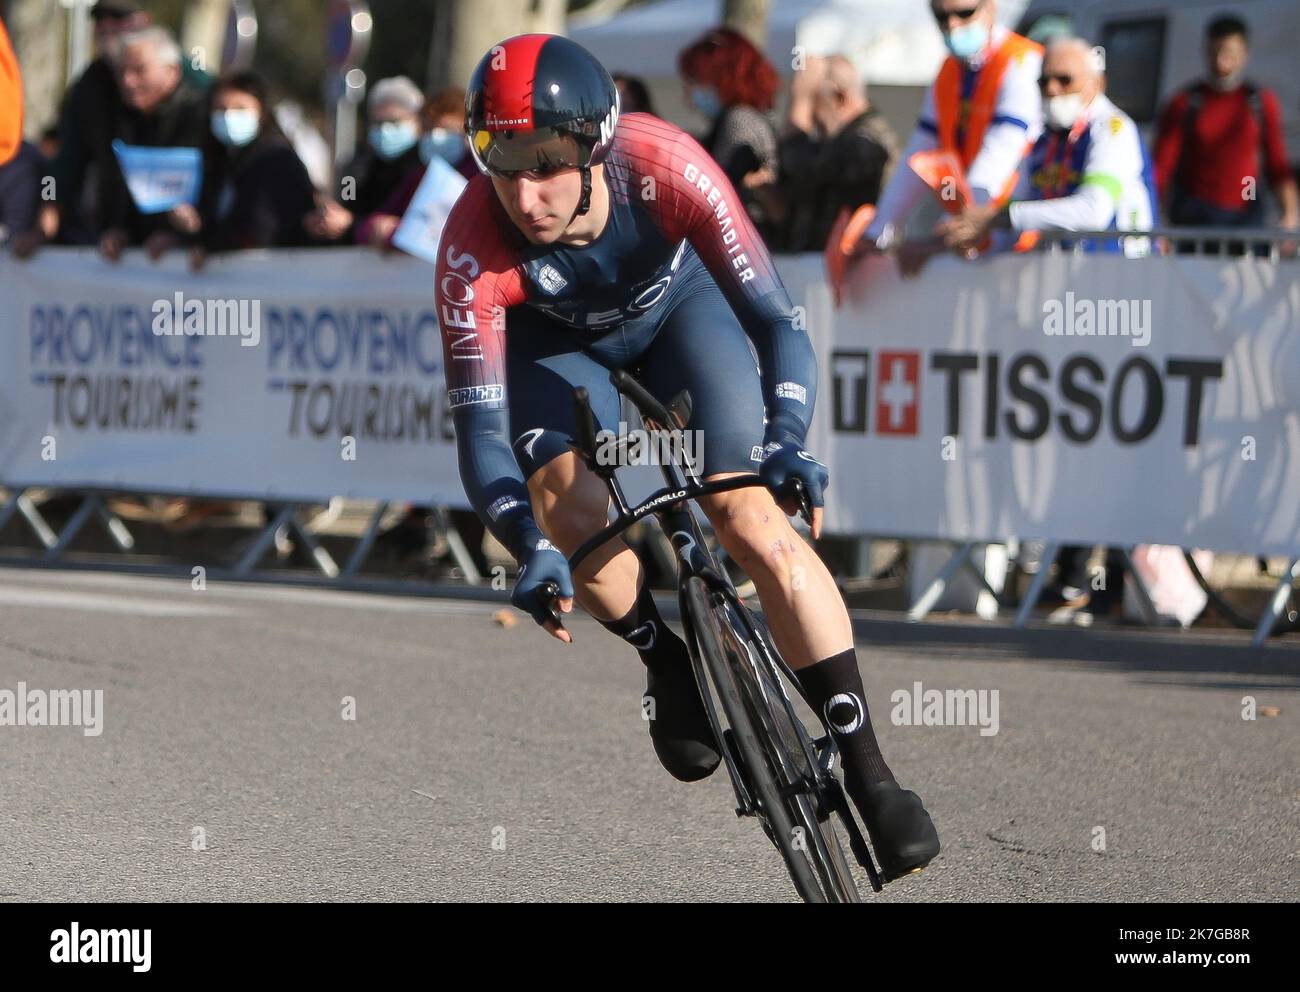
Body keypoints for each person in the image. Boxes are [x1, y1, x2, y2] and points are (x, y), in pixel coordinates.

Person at [436, 33, 940, 883]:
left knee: (750, 515)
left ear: (596, 143)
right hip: (552, 346)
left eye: (548, 160)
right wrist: (528, 544)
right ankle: (664, 657)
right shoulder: (471, 246)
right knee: (566, 502)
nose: (525, 192)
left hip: (679, 314)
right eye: (499, 158)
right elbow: (481, 434)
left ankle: (868, 765)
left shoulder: (666, 165)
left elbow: (779, 324)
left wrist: (785, 442)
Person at [856, 0, 1042, 274]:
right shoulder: (948, 72)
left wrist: (951, 229)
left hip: (1016, 229)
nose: (953, 24)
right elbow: (920, 154)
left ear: (990, 8)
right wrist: (880, 230)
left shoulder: (1021, 62)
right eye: (941, 16)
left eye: (965, 13)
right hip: (975, 231)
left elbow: (1001, 153)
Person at [938, 38, 1155, 255]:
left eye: (1064, 80)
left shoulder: (1114, 129)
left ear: (1097, 83)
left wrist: (999, 218)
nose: (1052, 89)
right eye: (1044, 81)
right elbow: (1015, 212)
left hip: (1123, 275)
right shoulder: (1042, 141)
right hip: (1064, 274)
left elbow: (1093, 211)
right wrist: (973, 238)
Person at [1153, 14, 1298, 245]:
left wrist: (1291, 214)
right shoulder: (1184, 102)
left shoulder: (1259, 102)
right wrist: (1156, 222)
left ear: (1244, 54)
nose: (1221, 62)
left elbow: (1276, 164)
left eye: (1229, 53)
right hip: (1195, 217)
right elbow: (1161, 168)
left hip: (1247, 209)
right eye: (1214, 52)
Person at [96, 26, 208, 262]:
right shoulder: (119, 116)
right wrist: (118, 229)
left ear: (172, 71)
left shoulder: (202, 117)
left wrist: (183, 235)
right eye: (121, 72)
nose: (128, 81)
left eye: (139, 70)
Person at [775, 54, 897, 252]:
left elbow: (799, 166)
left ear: (839, 98)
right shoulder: (847, 139)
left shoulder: (865, 141)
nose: (812, 120)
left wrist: (801, 101)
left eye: (815, 105)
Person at [677, 27, 781, 244]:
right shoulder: (750, 117)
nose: (690, 90)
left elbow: (719, 186)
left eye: (696, 80)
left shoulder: (739, 120)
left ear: (722, 78)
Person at [306, 76, 425, 243]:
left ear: (417, 121)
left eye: (394, 121)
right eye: (378, 123)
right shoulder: (357, 165)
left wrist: (353, 224)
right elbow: (347, 200)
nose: (385, 130)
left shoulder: (424, 164)